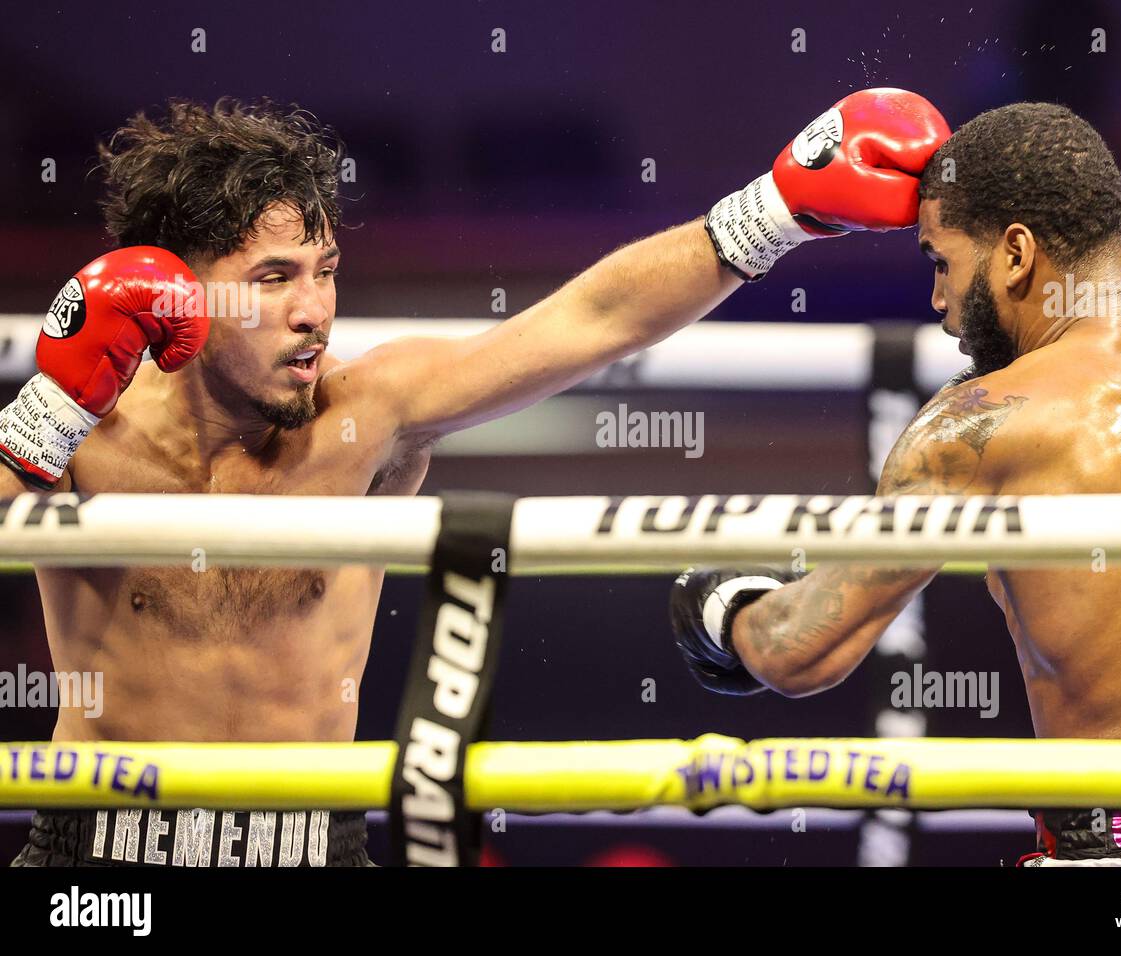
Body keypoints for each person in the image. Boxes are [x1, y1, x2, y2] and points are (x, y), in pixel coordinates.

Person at [0, 91, 948, 866]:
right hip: (98, 846)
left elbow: (594, 320)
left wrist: (776, 208)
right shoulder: (87, 431)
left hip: (308, 840)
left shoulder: (366, 417)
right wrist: (47, 412)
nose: (313, 312)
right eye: (274, 277)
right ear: (174, 289)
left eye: (324, 272)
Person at [671, 102, 1121, 866]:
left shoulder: (983, 422)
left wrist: (718, 609)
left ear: (1014, 253)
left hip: (1120, 865)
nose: (938, 304)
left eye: (941, 262)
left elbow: (800, 650)